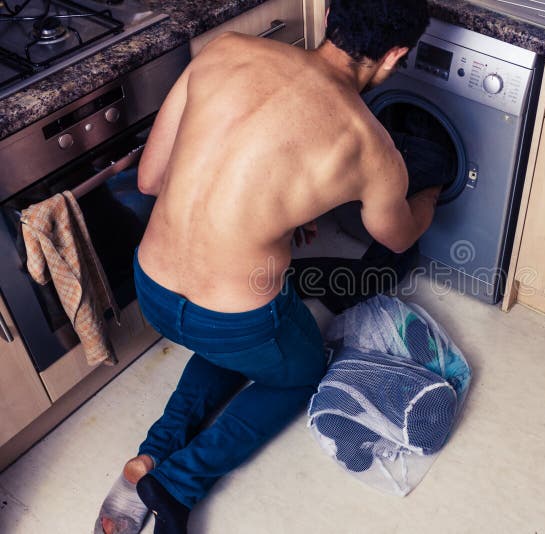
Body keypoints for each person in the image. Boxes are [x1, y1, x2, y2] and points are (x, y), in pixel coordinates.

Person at [94, 1, 438, 533]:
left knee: (235, 342)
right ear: (395, 55)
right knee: (299, 374)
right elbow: (396, 235)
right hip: (237, 319)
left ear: (328, 18)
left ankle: (152, 454)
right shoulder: (372, 146)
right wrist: (432, 192)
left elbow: (150, 181)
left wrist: (271, 213)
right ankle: (178, 482)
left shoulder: (224, 51)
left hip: (152, 290)